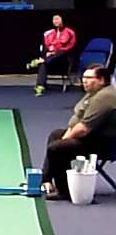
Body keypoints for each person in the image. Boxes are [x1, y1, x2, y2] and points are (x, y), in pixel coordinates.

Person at [41, 64, 116, 201]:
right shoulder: (92, 94)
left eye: (89, 78)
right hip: (92, 137)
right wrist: (64, 136)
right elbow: (76, 120)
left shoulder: (105, 97)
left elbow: (83, 128)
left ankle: (64, 190)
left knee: (57, 148)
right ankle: (45, 180)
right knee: (56, 134)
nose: (84, 81)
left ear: (102, 80)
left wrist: (64, 140)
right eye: (83, 77)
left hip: (106, 143)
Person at [29, 14, 77, 96]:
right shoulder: (49, 33)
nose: (55, 21)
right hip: (51, 61)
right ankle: (40, 86)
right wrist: (48, 53)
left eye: (57, 19)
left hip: (63, 60)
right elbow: (46, 47)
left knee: (61, 52)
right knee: (43, 64)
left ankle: (40, 61)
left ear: (62, 20)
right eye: (54, 19)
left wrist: (54, 52)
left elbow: (69, 48)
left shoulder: (70, 32)